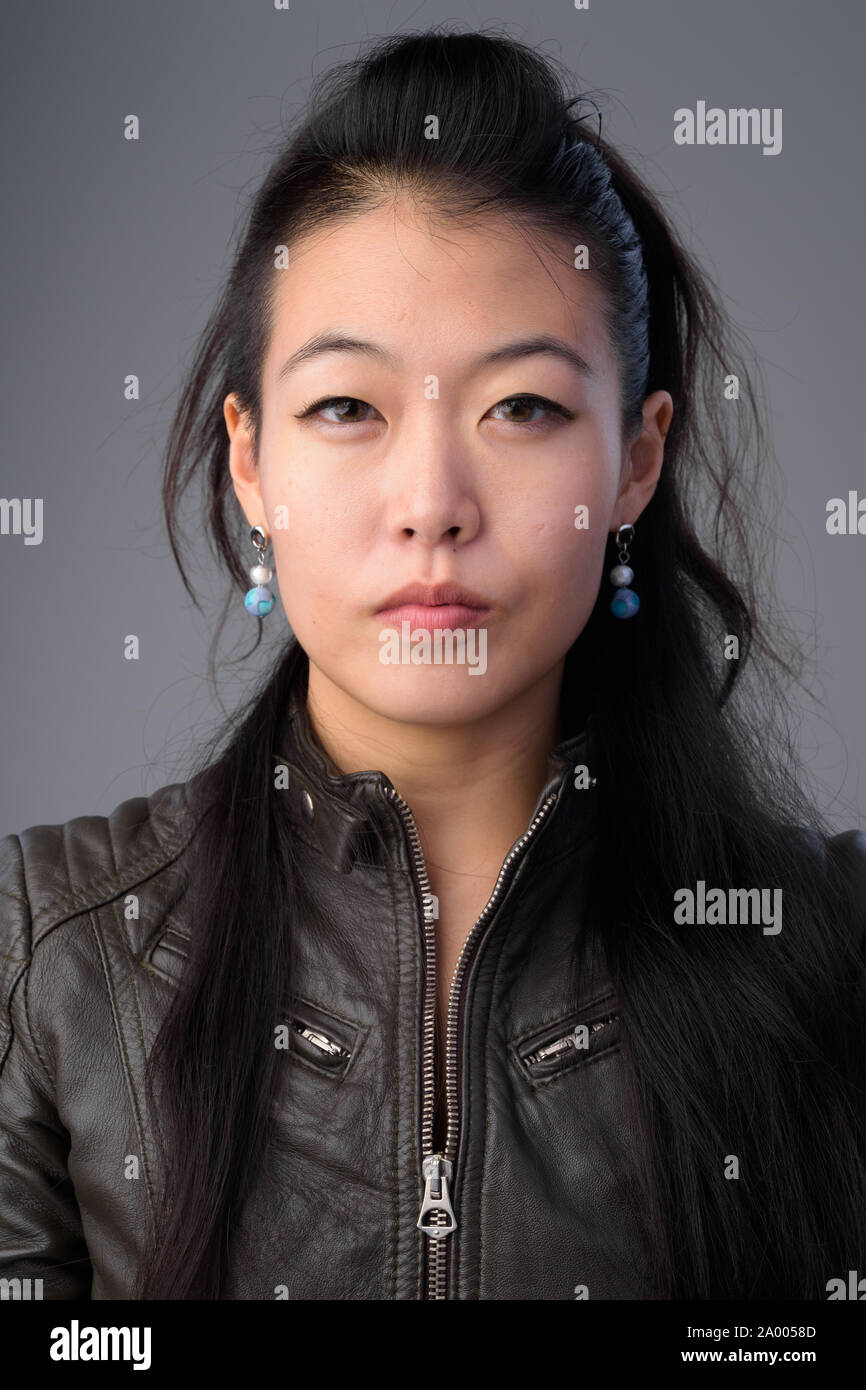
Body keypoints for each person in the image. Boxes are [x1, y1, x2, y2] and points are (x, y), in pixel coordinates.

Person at [0, 29, 863, 1302]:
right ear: (252, 461)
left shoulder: (832, 949)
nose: (429, 502)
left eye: (521, 407)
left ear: (635, 456)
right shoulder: (47, 950)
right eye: (346, 407)